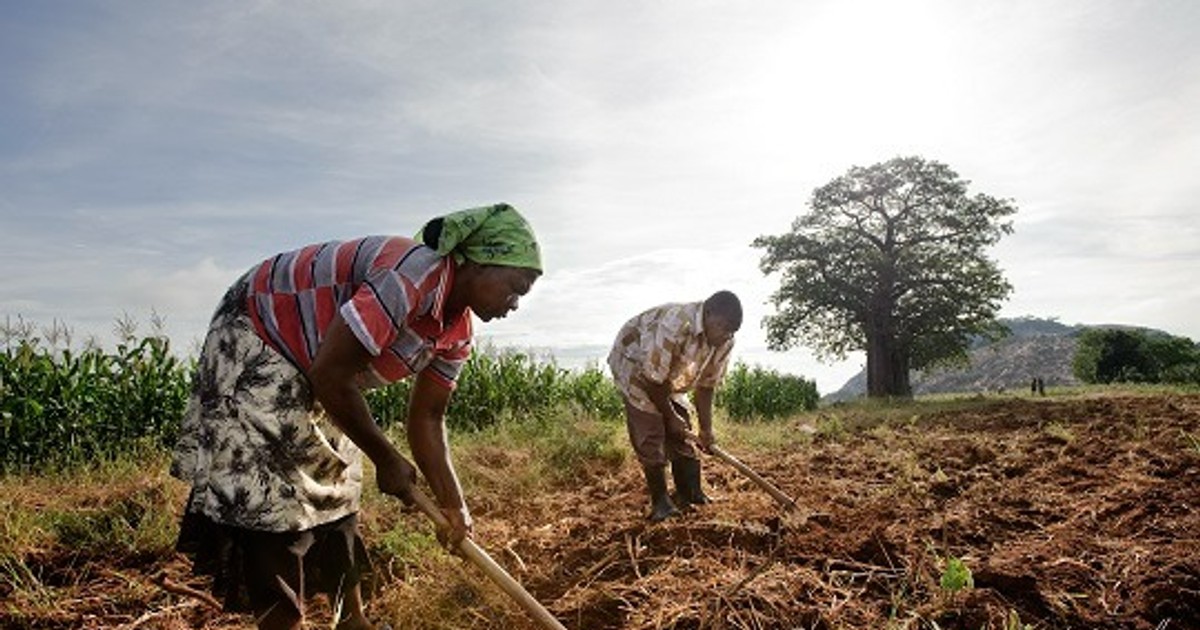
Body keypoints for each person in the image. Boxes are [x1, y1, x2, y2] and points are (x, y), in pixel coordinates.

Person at [170, 203, 542, 630]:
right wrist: (387, 459)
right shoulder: (408, 277)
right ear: (477, 264)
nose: (515, 304)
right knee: (274, 499)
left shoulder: (456, 332)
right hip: (259, 329)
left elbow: (428, 418)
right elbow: (330, 375)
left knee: (339, 480)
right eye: (516, 287)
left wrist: (454, 505)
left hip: (320, 364)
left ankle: (353, 623)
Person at [607, 291, 742, 522]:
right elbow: (652, 379)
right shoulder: (676, 325)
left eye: (732, 331)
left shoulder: (725, 341)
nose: (727, 336)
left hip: (665, 374)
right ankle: (661, 504)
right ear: (708, 315)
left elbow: (706, 386)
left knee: (682, 428)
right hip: (634, 363)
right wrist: (669, 417)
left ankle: (690, 494)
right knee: (651, 430)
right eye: (724, 327)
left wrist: (706, 430)